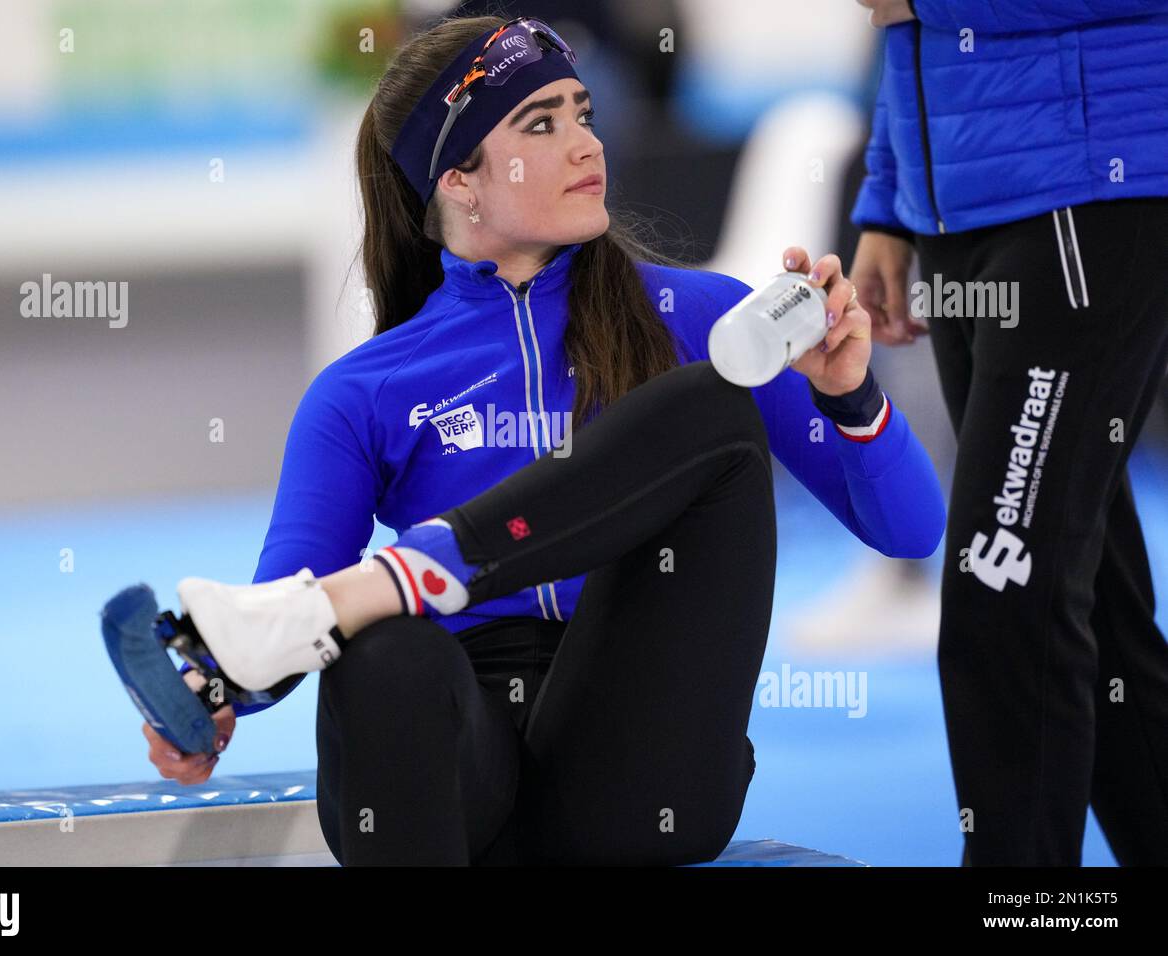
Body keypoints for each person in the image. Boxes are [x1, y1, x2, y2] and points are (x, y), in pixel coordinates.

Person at [141, 14, 945, 866]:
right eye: (542, 123)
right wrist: (207, 702)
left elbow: (912, 531)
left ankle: (412, 573)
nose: (587, 145)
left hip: (636, 762)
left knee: (712, 402)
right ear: (459, 180)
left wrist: (850, 393)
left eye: (584, 112)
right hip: (455, 779)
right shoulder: (361, 392)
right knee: (380, 649)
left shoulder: (704, 319)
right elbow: (280, 622)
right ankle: (399, 589)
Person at [851, 0, 1168, 865]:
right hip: (959, 214)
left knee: (1005, 587)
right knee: (1091, 593)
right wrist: (887, 200)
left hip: (1084, 198)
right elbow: (901, 31)